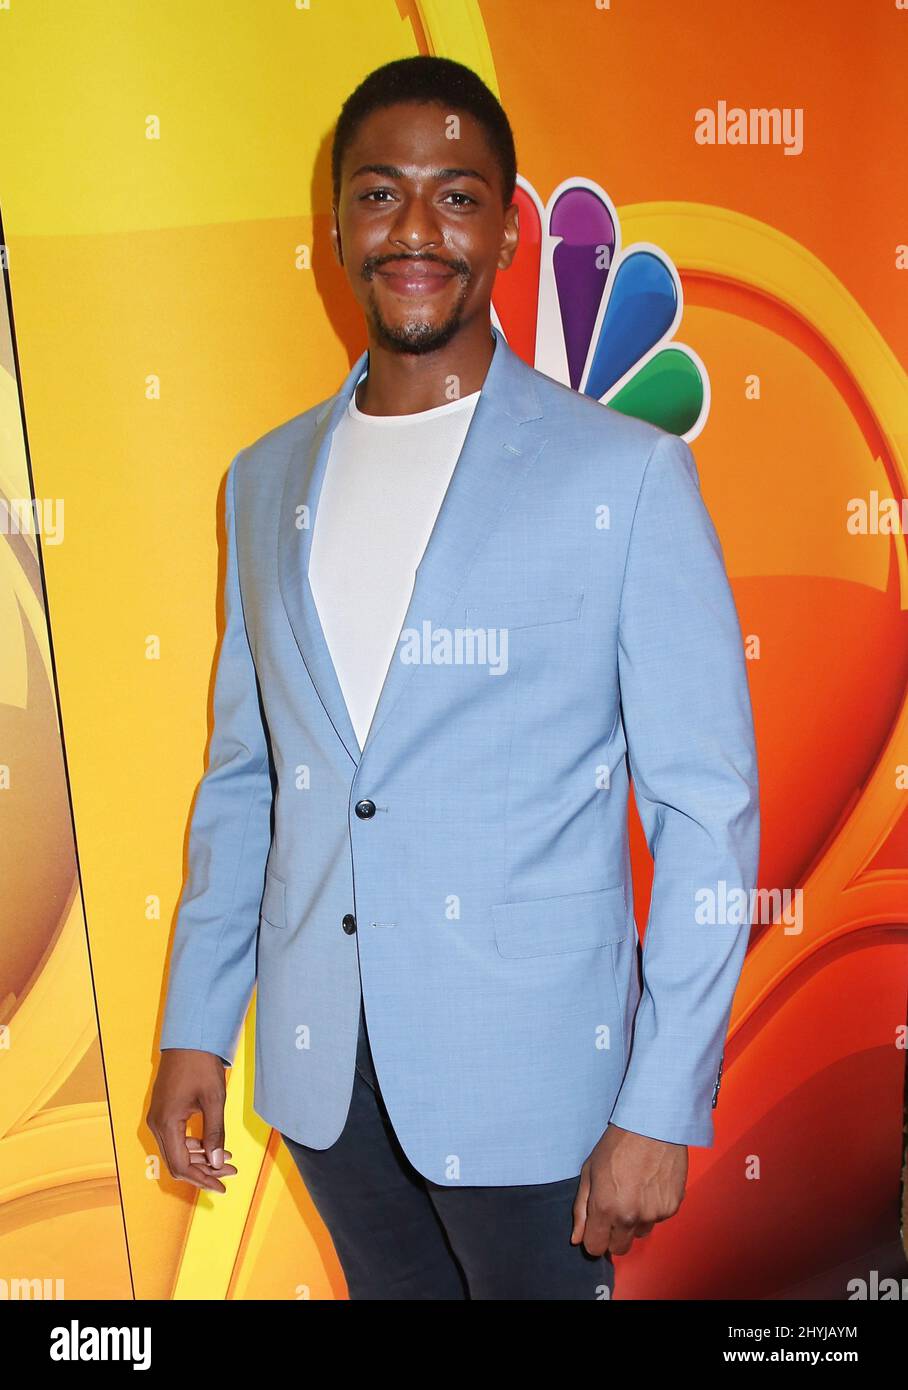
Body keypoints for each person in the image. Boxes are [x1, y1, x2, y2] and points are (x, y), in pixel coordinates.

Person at [147, 55, 760, 1301]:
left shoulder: (620, 476)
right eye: (379, 194)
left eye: (455, 196)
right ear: (334, 225)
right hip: (327, 1082)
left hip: (532, 1078)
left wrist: (662, 1097)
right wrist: (198, 1019)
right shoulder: (262, 482)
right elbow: (245, 779)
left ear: (505, 224)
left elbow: (707, 813)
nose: (415, 229)